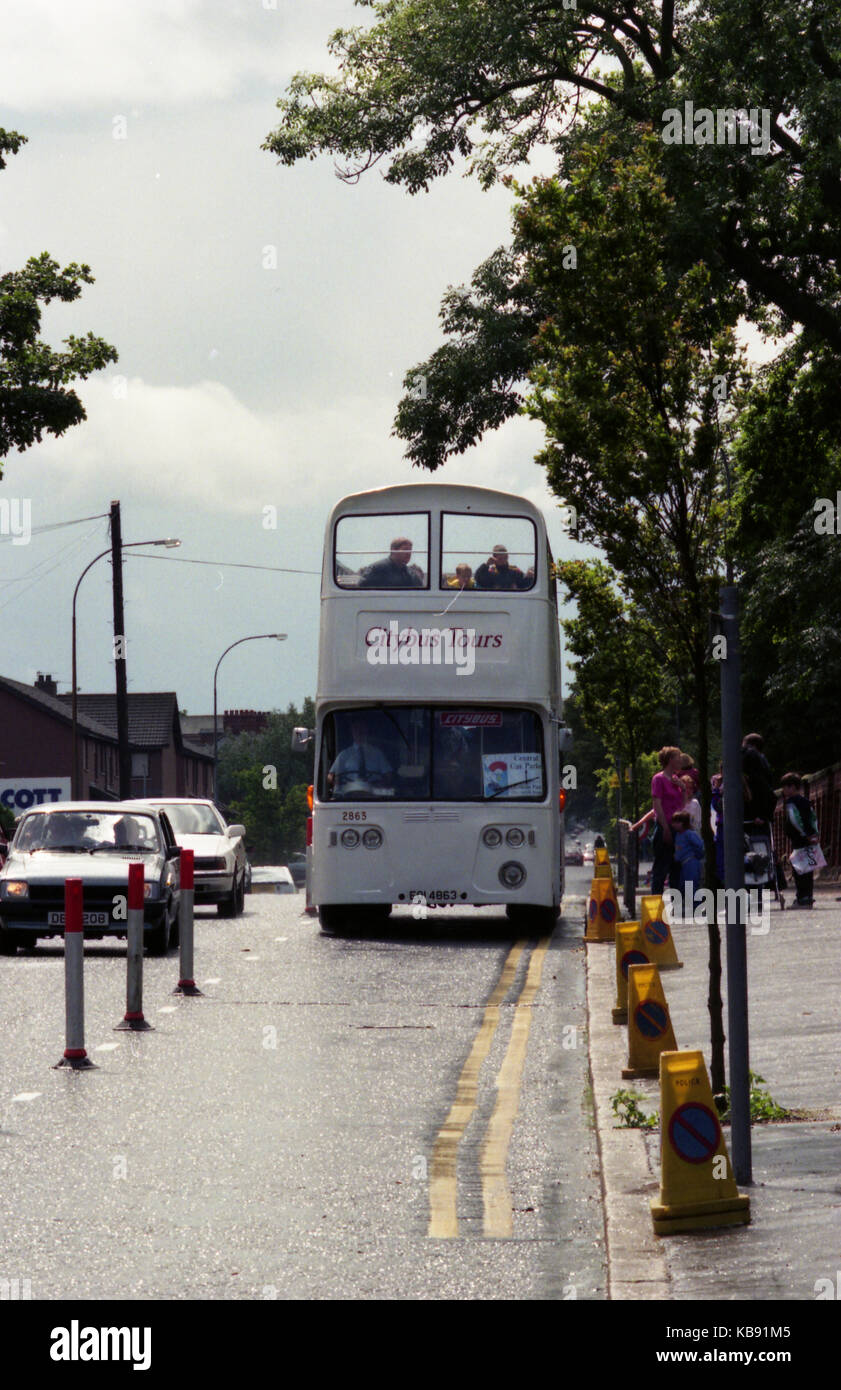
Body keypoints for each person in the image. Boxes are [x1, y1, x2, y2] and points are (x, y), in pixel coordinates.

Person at [780, 773, 820, 908]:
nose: (783, 791)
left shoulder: (791, 802)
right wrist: (814, 833)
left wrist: (803, 834)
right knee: (809, 868)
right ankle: (808, 896)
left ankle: (802, 898)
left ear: (792, 787)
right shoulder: (806, 801)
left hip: (799, 838)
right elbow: (813, 818)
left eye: (785, 788)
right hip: (810, 838)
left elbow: (794, 819)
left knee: (799, 869)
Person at [328, 715, 392, 795]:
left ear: (367, 730)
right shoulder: (344, 755)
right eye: (356, 728)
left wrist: (381, 784)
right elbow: (331, 776)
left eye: (362, 728)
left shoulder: (377, 754)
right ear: (352, 731)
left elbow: (388, 774)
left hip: (374, 796)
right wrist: (338, 783)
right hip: (348, 796)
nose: (359, 732)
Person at [650, 746, 684, 894]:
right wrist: (665, 828)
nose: (680, 760)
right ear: (670, 760)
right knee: (661, 868)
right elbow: (657, 805)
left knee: (676, 868)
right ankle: (655, 905)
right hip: (665, 827)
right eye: (678, 757)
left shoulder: (676, 781)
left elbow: (682, 805)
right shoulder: (659, 779)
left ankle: (676, 907)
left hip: (678, 828)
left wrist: (682, 788)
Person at [358, 537, 424, 589]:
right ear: (393, 550)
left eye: (410, 550)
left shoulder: (411, 575)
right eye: (405, 549)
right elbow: (362, 588)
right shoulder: (377, 569)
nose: (408, 553)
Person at [741, 733, 777, 824]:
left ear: (753, 746)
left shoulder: (755, 768)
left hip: (755, 820)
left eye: (745, 746)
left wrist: (760, 815)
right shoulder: (764, 763)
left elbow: (761, 790)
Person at [671, 810, 705, 905]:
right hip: (684, 864)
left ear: (681, 823)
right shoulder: (678, 835)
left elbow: (699, 845)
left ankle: (697, 906)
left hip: (691, 862)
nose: (673, 825)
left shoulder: (689, 834)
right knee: (684, 885)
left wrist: (697, 856)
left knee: (691, 886)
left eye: (675, 822)